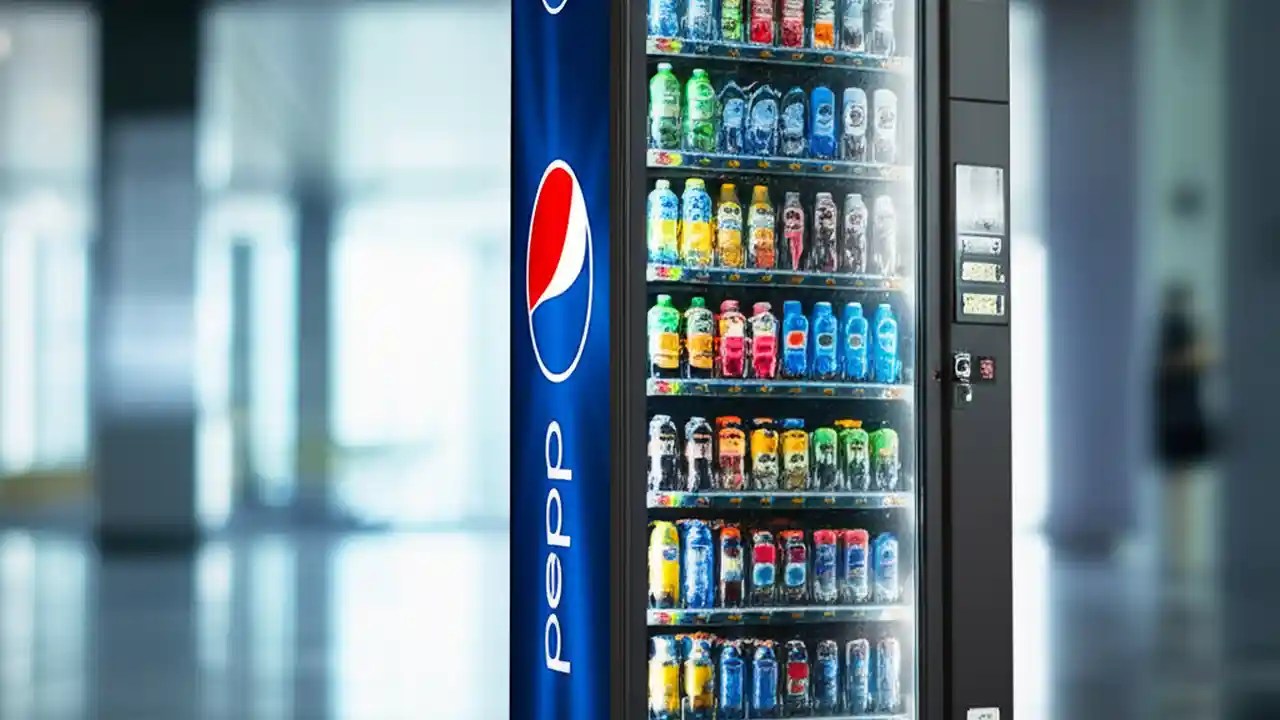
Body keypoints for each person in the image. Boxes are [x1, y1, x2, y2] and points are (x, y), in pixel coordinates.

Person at [1154, 282, 1214, 576]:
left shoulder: (1183, 329)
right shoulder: (1173, 331)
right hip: (1178, 420)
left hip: (1184, 418)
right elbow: (1177, 364)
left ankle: (1184, 555)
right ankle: (1179, 556)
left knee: (1184, 493)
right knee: (1178, 492)